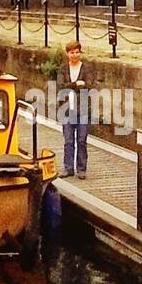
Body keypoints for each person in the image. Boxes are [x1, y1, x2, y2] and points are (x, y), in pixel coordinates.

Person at [60, 39, 90, 179]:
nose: (75, 55)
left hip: (82, 110)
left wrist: (72, 85)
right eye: (72, 52)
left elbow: (89, 85)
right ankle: (68, 168)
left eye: (77, 52)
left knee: (82, 140)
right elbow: (61, 86)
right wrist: (76, 84)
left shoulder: (86, 68)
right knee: (68, 141)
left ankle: (81, 169)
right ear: (67, 54)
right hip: (67, 110)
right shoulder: (63, 69)